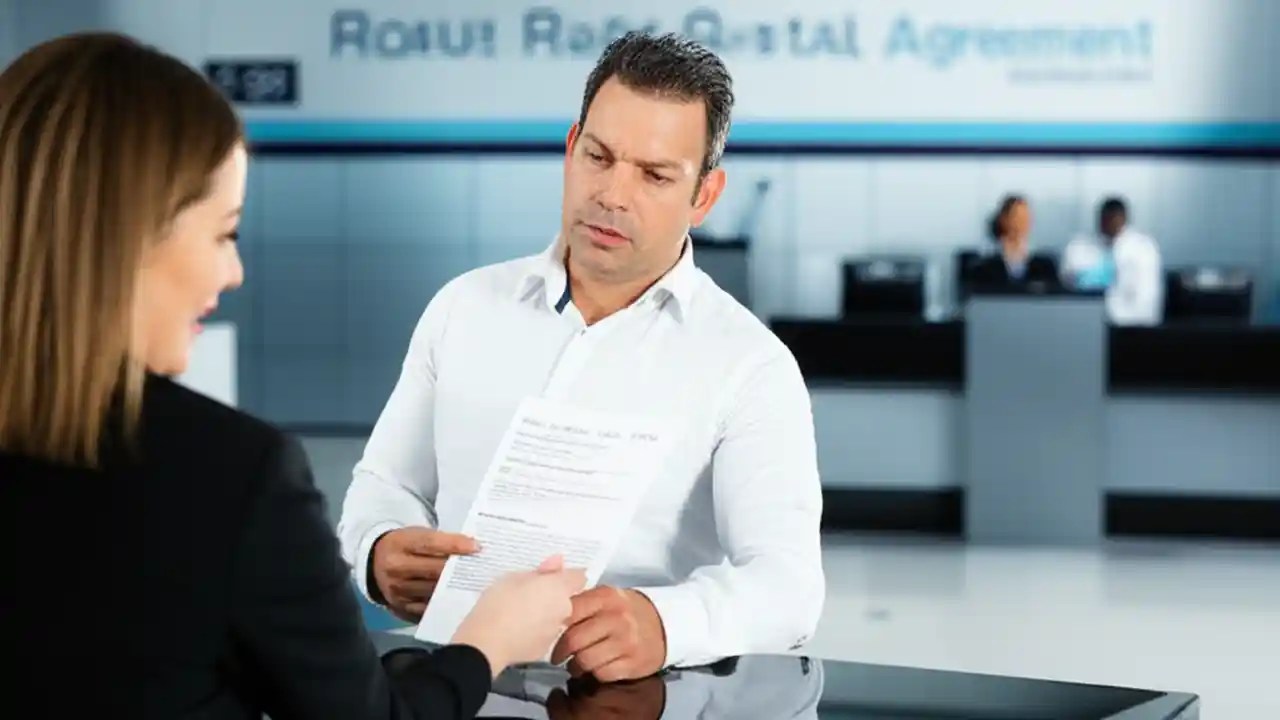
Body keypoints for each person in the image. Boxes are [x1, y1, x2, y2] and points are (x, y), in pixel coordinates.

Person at [0, 32, 585, 719]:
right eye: (224, 233)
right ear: (130, 233)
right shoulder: (230, 474)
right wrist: (486, 643)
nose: (234, 272)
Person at [338, 31, 825, 683]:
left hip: (638, 699)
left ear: (704, 196)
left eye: (654, 175)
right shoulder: (464, 309)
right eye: (599, 157)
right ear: (571, 150)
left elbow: (789, 586)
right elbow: (382, 487)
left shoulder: (750, 367)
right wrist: (378, 551)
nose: (613, 195)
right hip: (450, 686)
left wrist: (663, 622)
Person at [1061, 196, 1163, 325]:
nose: (1108, 226)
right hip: (1086, 321)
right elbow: (1068, 283)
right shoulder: (1079, 245)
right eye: (1104, 221)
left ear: (1124, 220)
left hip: (1135, 323)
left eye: (1114, 221)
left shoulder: (1143, 248)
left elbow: (1145, 297)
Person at [966, 194, 1058, 290]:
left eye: (1026, 217)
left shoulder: (1045, 266)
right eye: (1017, 217)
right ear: (1004, 220)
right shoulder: (983, 268)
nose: (1022, 223)